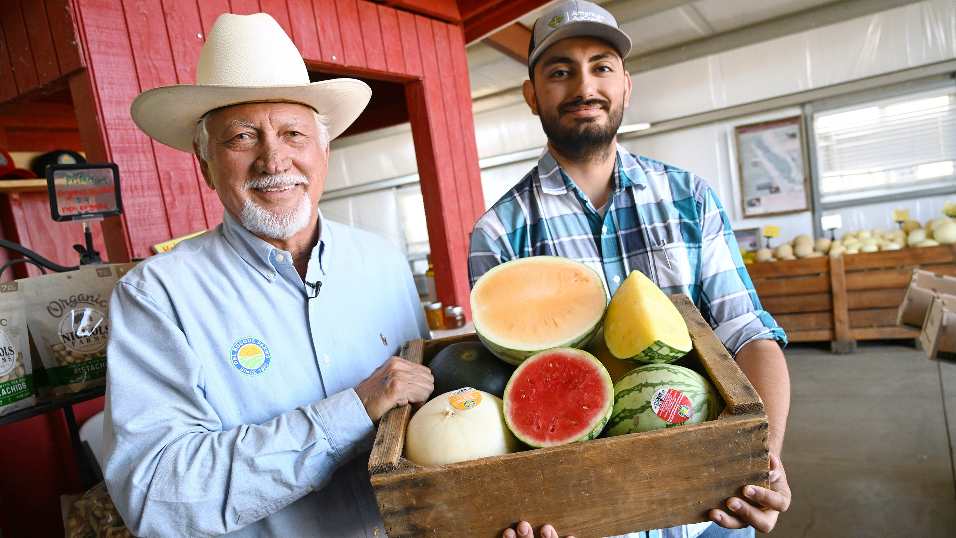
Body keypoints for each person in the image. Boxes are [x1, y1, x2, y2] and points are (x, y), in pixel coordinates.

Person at [103, 13, 434, 537]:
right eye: (241, 137)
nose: (273, 159)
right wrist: (350, 412)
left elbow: (430, 425)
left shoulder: (384, 262)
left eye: (293, 133)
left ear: (322, 150)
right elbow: (156, 496)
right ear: (205, 161)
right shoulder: (156, 296)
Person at [469, 2, 792, 538]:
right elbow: (514, 387)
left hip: (710, 508)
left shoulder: (691, 199)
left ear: (625, 84)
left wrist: (764, 457)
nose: (583, 86)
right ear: (531, 95)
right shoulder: (500, 231)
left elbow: (747, 332)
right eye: (559, 71)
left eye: (601, 66)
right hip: (586, 520)